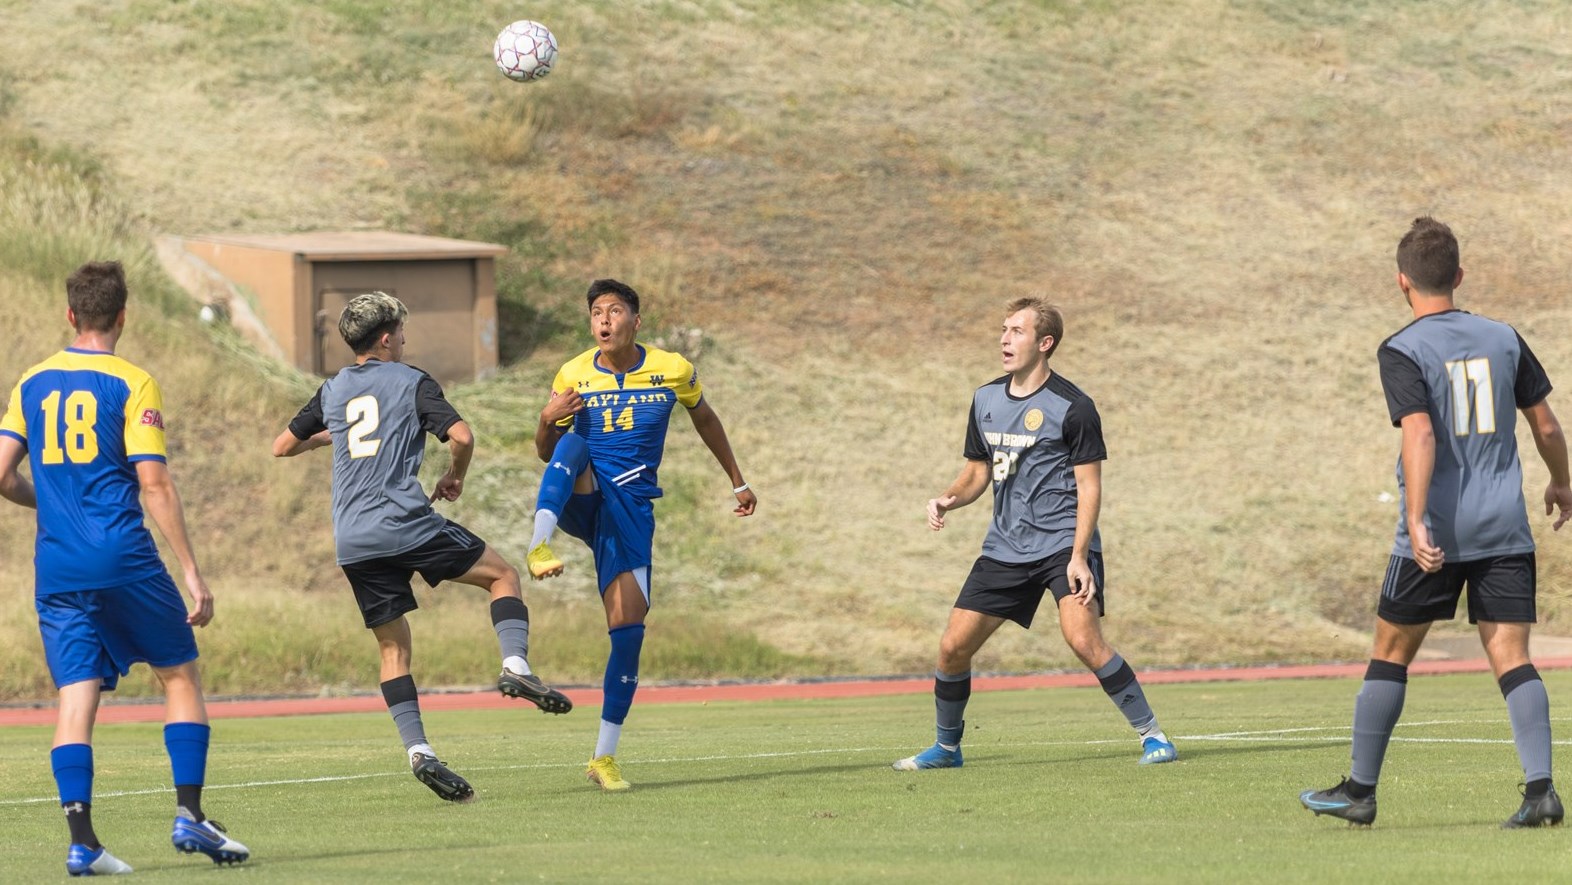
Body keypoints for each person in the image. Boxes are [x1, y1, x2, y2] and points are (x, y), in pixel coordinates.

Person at [1300, 217, 1572, 828]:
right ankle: (1540, 792)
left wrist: (1418, 519)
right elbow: (1548, 426)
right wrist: (1562, 482)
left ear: (1403, 282)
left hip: (1439, 532)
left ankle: (1360, 792)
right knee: (1511, 655)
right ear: (1459, 275)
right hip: (1505, 528)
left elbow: (1419, 431)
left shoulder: (1401, 347)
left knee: (1391, 651)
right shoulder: (1505, 336)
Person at [272, 291, 572, 804]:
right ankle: (516, 668)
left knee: (393, 648)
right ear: (386, 338)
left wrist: (327, 438)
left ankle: (419, 752)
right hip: (404, 523)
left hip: (353, 540)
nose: (406, 340)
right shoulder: (411, 380)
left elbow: (281, 446)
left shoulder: (333, 389)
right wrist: (454, 478)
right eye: (402, 333)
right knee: (502, 576)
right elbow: (462, 436)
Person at [0, 260, 250, 875]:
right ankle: (190, 814)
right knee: (180, 676)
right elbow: (154, 484)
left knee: (75, 695)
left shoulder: (30, 381)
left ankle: (82, 842)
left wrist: (50, 500)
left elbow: (1, 473)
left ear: (69, 314)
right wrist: (192, 571)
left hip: (58, 569)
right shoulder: (133, 381)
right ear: (121, 316)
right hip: (122, 556)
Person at [892, 297, 1177, 772]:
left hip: (1063, 545)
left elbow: (1090, 487)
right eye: (1003, 330)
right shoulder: (984, 399)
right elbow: (976, 472)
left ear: (1045, 344)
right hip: (1005, 547)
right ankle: (946, 748)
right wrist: (948, 498)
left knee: (1083, 640)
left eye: (1017, 331)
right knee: (952, 647)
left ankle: (1153, 737)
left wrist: (1080, 555)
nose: (1005, 339)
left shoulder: (1074, 406)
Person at [526, 278, 756, 791]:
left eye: (613, 311)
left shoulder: (672, 370)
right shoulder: (573, 373)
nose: (603, 321)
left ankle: (604, 759)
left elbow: (707, 420)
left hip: (629, 510)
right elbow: (548, 452)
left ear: (635, 320)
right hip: (583, 496)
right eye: (595, 313)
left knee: (628, 633)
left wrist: (737, 480)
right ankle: (538, 543)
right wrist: (546, 419)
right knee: (574, 447)